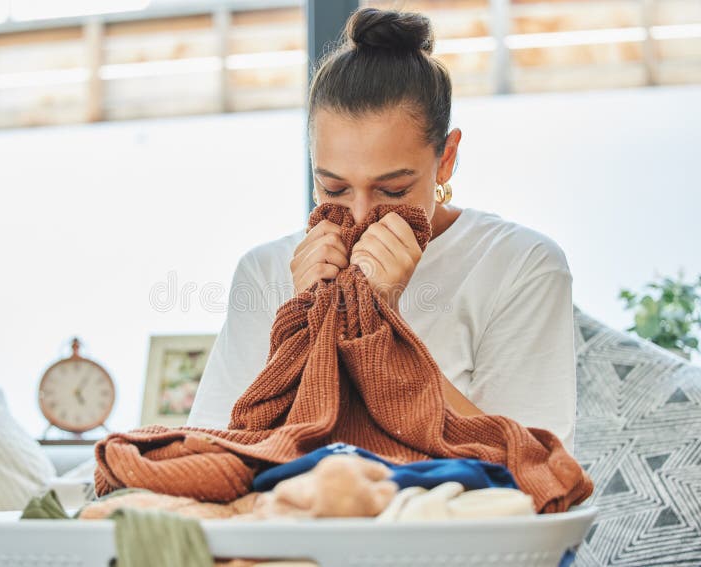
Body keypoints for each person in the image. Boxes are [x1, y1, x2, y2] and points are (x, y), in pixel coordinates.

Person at [187, 7, 577, 454]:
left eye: (392, 190)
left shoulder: (520, 265)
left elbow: (537, 467)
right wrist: (306, 324)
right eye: (333, 187)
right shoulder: (265, 269)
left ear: (446, 160)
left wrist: (381, 327)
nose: (359, 214)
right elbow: (216, 455)